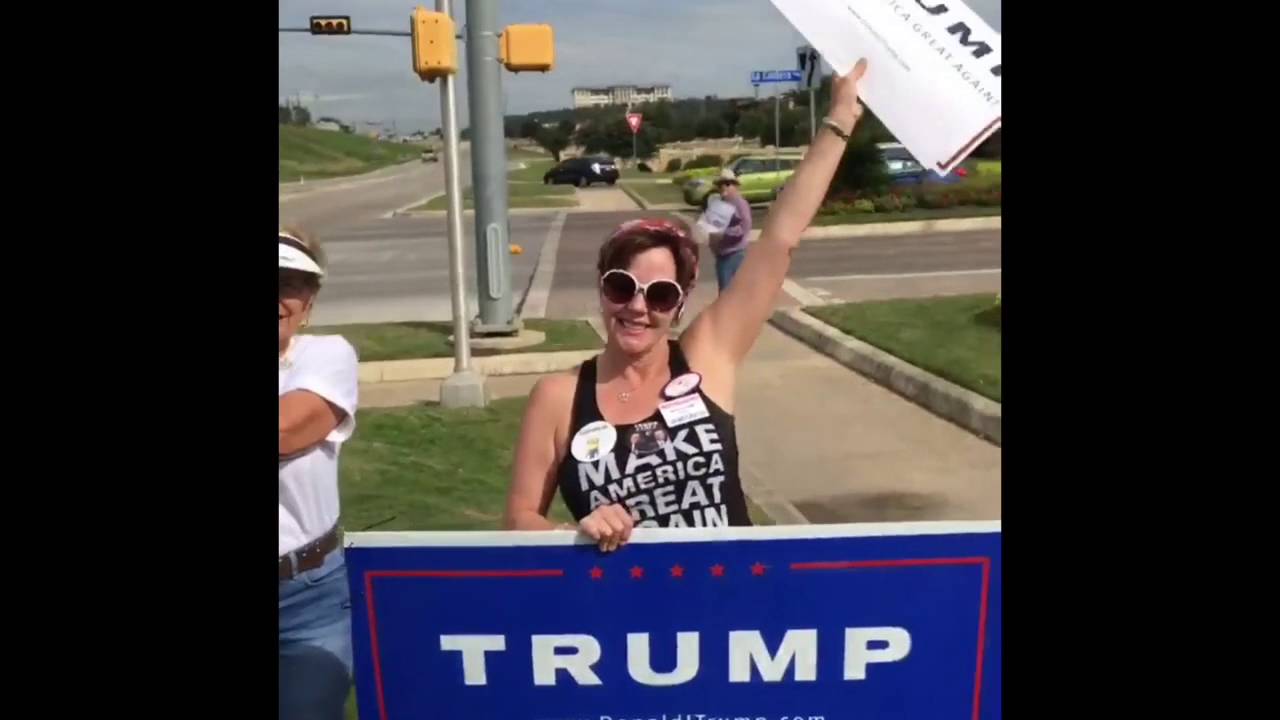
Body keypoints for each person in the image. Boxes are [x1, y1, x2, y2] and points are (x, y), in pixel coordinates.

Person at [503, 60, 869, 550]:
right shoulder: (558, 398)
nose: (637, 307)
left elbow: (779, 238)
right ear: (601, 288)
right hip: (624, 620)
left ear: (678, 306)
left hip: (731, 610)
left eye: (659, 295)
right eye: (621, 286)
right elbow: (519, 520)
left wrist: (839, 120)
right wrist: (576, 531)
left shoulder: (706, 357)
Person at [278, 226, 359, 720]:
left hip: (307, 595)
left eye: (290, 283)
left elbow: (289, 428)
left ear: (309, 302)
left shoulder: (326, 356)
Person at [706, 169, 753, 291]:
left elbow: (744, 228)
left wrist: (724, 234)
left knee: (734, 292)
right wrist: (714, 244)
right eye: (721, 184)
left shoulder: (740, 204)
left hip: (735, 253)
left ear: (735, 186)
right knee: (724, 291)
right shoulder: (717, 203)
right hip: (721, 255)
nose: (723, 187)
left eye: (727, 184)